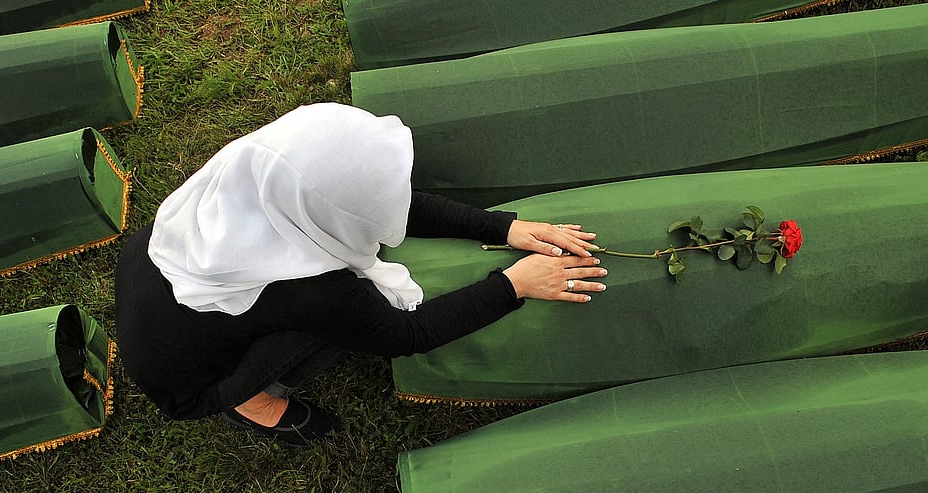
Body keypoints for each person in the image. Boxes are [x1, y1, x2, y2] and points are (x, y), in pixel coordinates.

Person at [115, 103, 606, 445]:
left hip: (156, 295)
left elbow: (378, 205)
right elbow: (408, 334)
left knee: (319, 312)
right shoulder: (314, 293)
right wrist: (514, 284)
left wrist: (503, 227)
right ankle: (248, 401)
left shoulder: (248, 183)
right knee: (344, 321)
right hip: (187, 385)